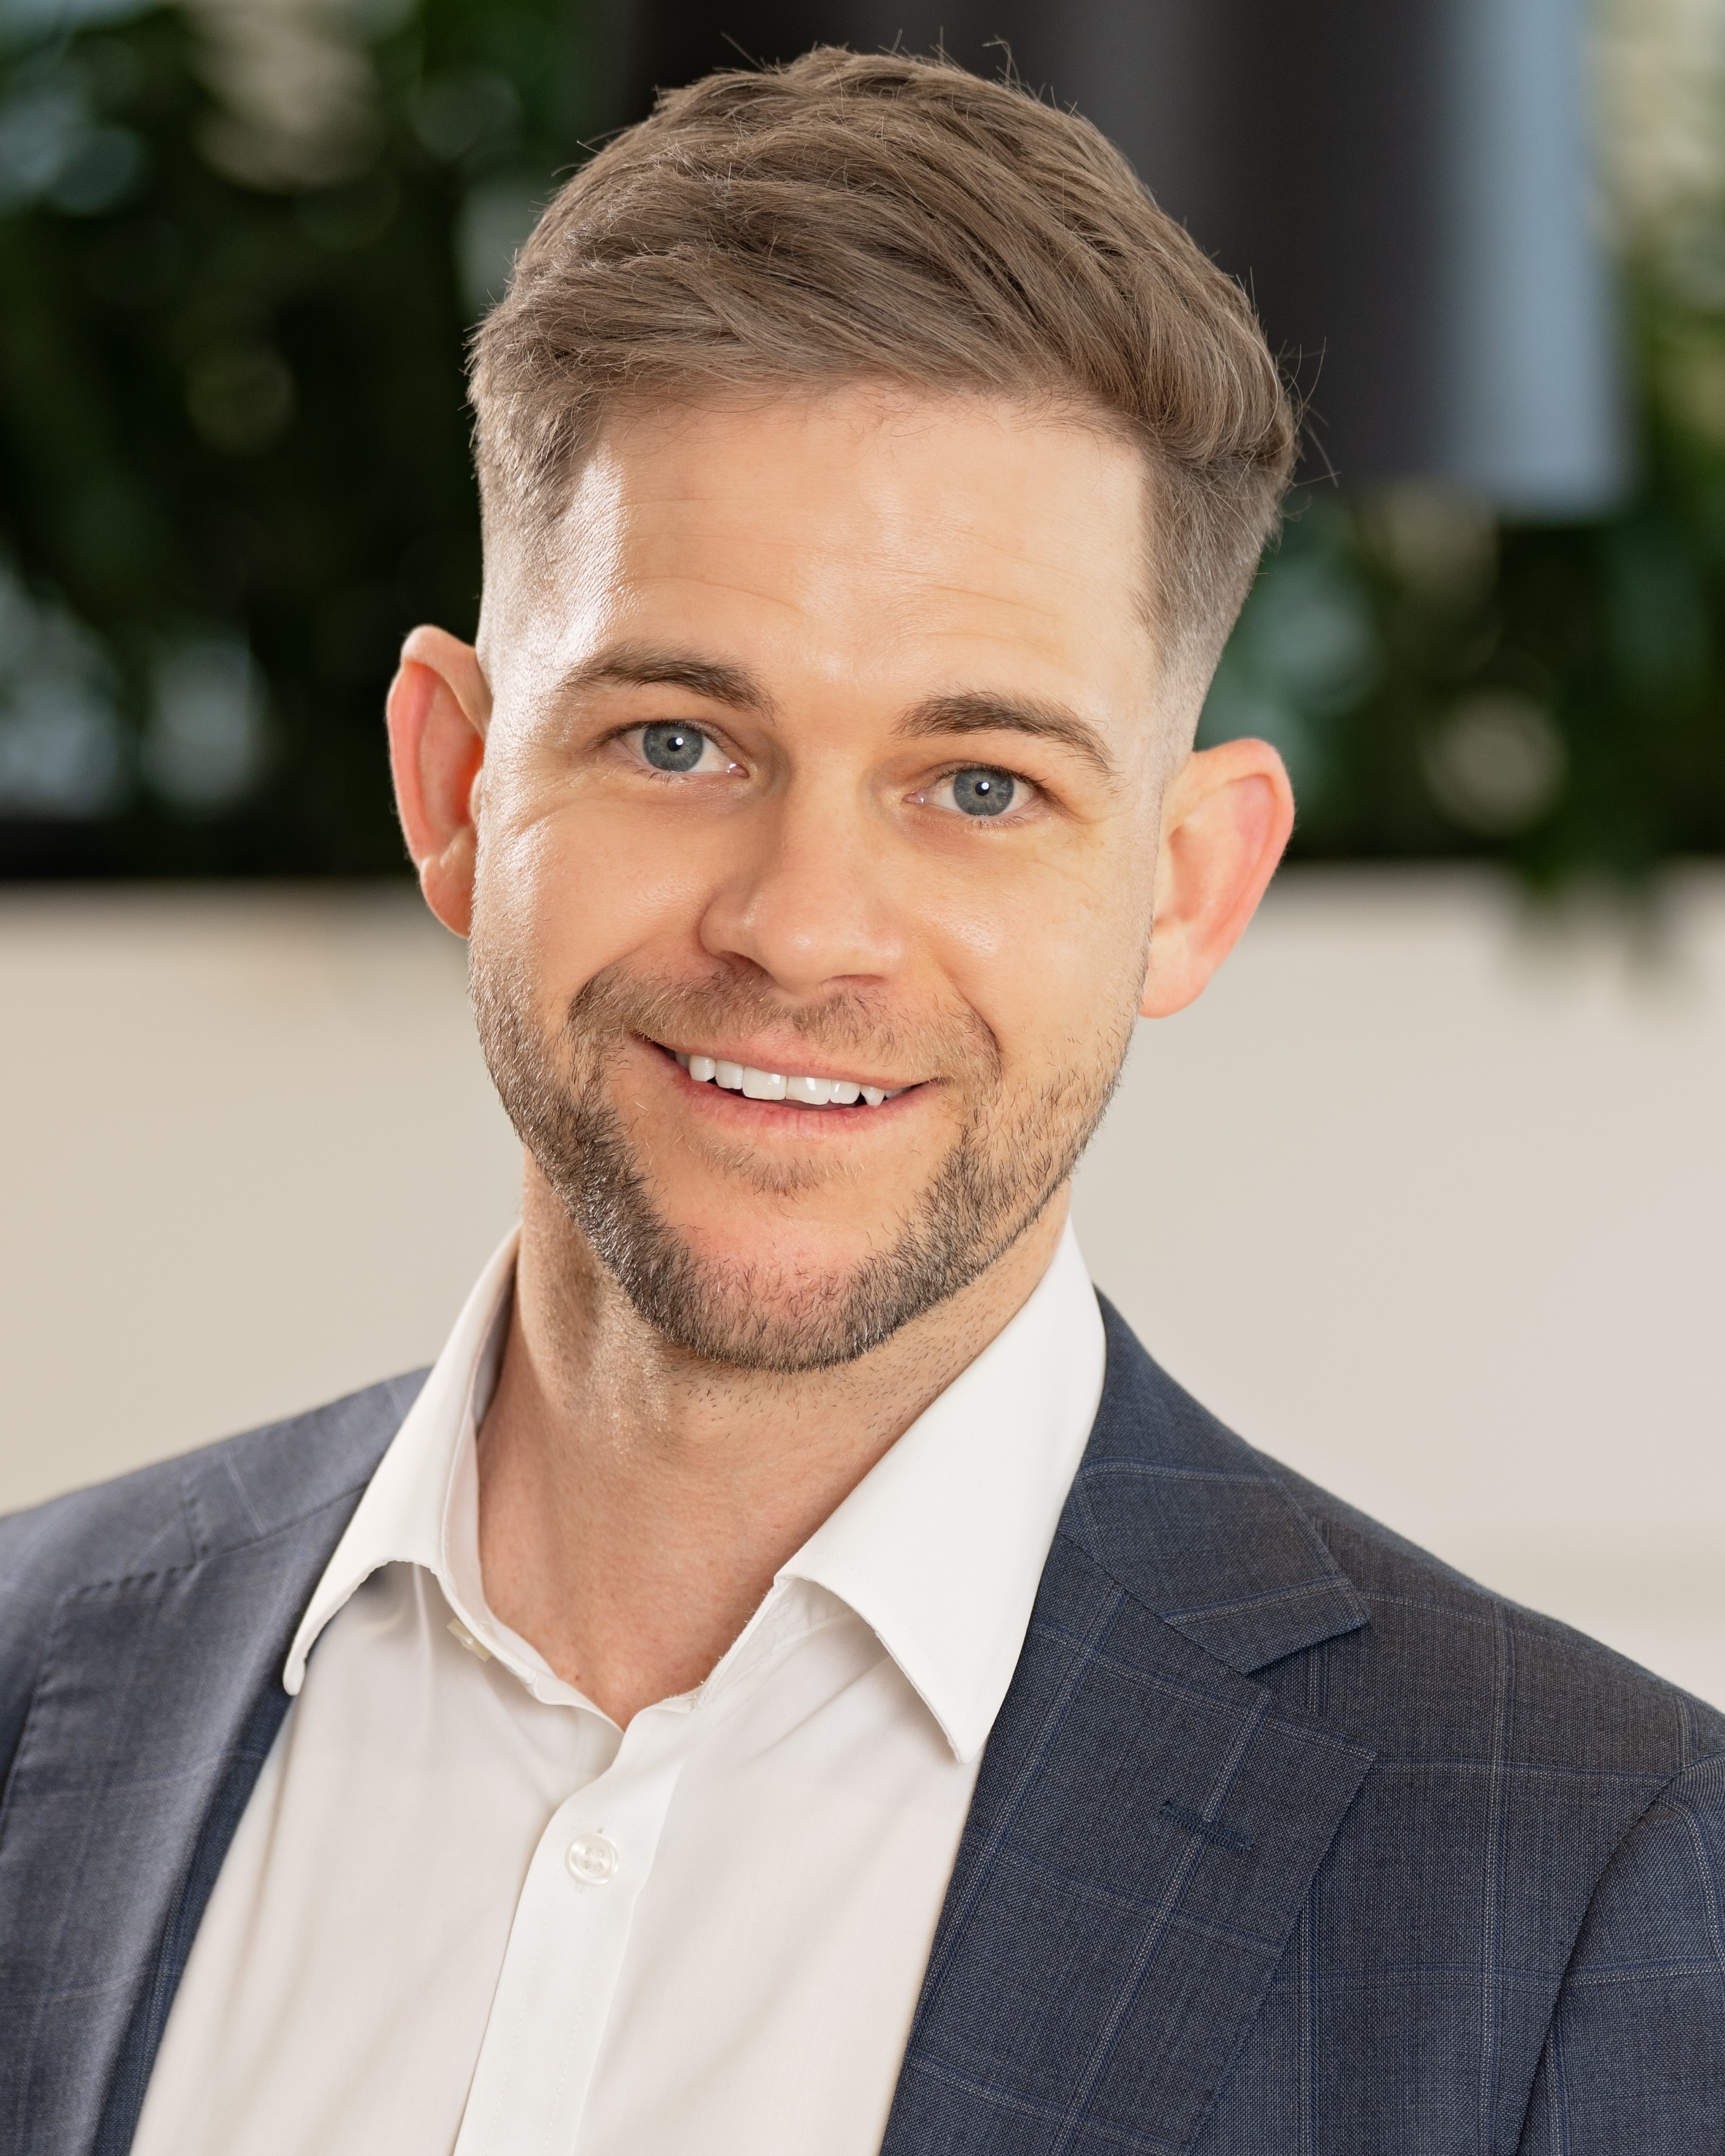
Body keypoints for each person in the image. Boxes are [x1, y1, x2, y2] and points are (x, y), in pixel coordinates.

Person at [2, 46, 1721, 2156]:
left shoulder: (1578, 1897)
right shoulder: (29, 1691)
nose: (805, 929)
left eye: (979, 784)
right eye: (674, 742)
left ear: (1187, 887)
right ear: (454, 783)